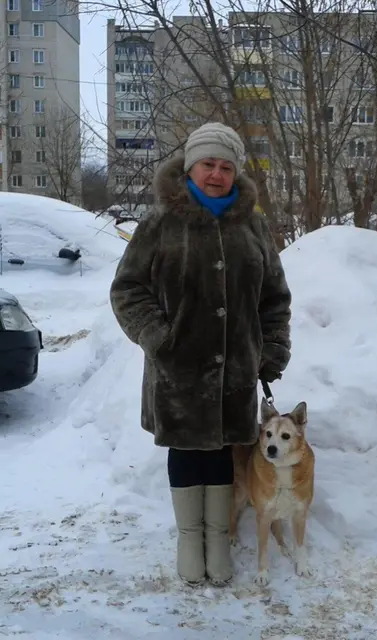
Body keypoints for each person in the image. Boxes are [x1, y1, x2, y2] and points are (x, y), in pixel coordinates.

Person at [109, 122, 292, 586]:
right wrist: (159, 337)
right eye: (208, 164)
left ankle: (218, 539)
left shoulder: (253, 225)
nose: (216, 174)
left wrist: (271, 348)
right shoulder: (160, 222)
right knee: (186, 451)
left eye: (226, 167)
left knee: (223, 452)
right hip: (178, 370)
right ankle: (190, 540)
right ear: (190, 167)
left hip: (236, 370)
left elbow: (275, 296)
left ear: (236, 173)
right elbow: (127, 289)